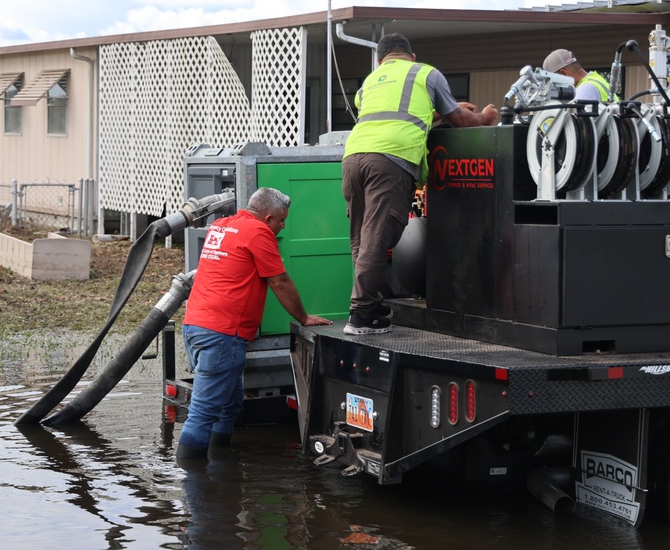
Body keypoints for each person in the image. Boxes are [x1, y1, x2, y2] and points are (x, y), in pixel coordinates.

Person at [342, 33, 500, 335]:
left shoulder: (368, 84)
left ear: (380, 59)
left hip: (353, 158)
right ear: (411, 56)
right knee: (377, 238)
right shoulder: (426, 73)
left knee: (362, 238)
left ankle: (371, 307)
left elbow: (398, 114)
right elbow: (461, 123)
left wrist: (444, 109)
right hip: (390, 159)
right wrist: (483, 116)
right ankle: (361, 312)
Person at [176, 187, 330, 460]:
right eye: (282, 220)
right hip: (222, 334)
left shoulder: (222, 226)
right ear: (268, 218)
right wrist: (304, 319)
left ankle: (221, 468)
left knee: (229, 404)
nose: (283, 226)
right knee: (203, 411)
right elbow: (279, 281)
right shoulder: (258, 233)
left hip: (195, 326)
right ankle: (194, 487)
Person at [543, 48, 612, 102]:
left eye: (554, 83)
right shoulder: (596, 79)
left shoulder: (584, 90)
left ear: (564, 74)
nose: (556, 88)